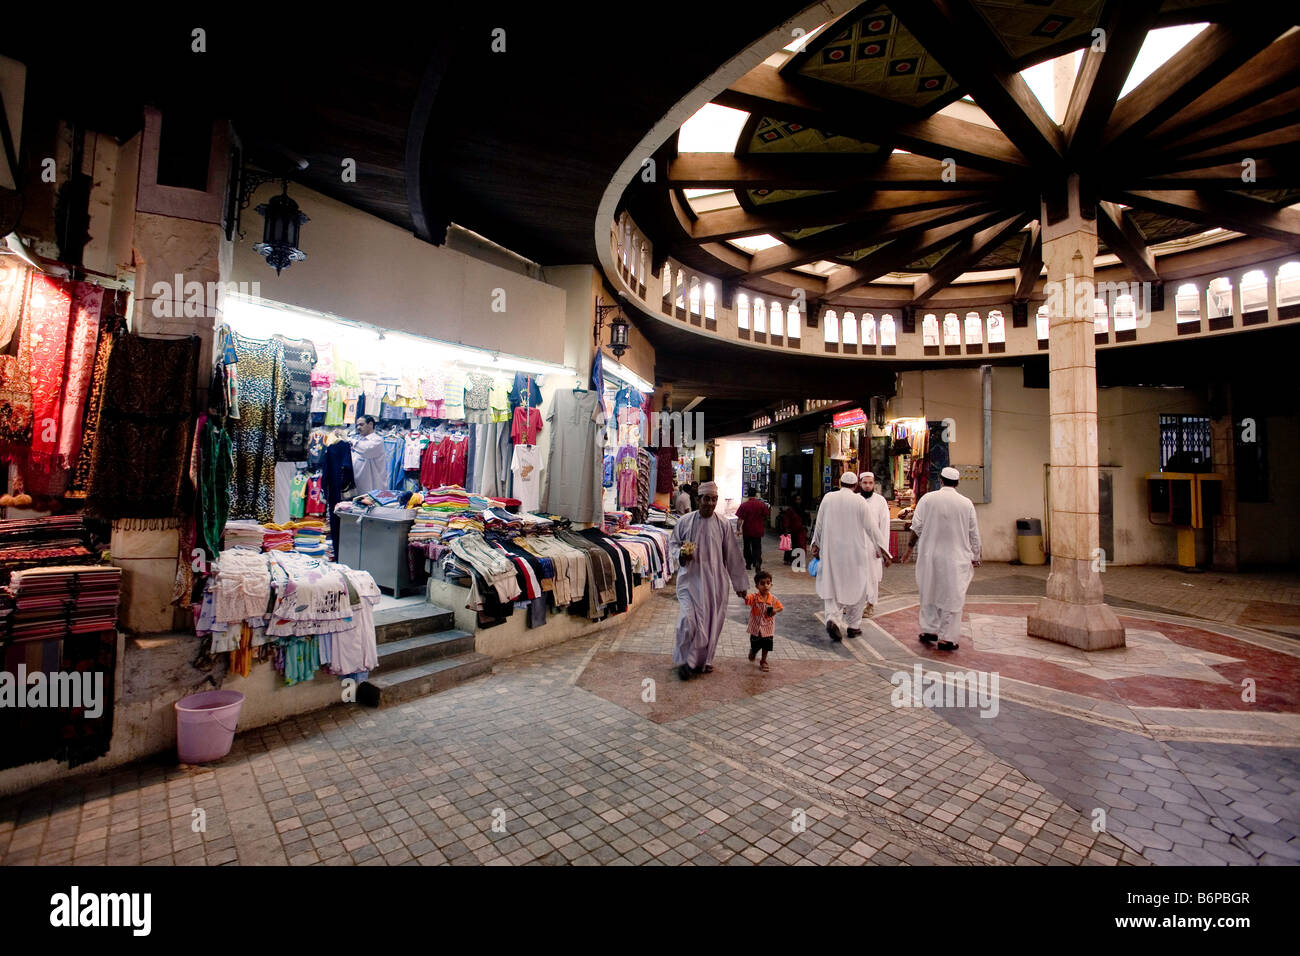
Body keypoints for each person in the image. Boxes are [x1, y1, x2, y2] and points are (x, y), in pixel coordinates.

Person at [668, 480, 748, 680]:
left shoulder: (723, 524)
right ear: (697, 499)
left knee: (710, 624)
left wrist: (740, 585)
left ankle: (701, 661)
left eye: (714, 499)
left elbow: (732, 554)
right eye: (706, 499)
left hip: (715, 583)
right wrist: (680, 555)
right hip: (689, 581)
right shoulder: (684, 522)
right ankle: (685, 660)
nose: (710, 503)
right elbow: (673, 545)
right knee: (688, 620)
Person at [901, 465, 981, 651]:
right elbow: (973, 533)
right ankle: (948, 637)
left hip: (930, 556)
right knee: (953, 596)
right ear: (957, 483)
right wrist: (976, 555)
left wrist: (908, 551)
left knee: (929, 592)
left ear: (941, 480)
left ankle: (930, 630)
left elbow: (916, 528)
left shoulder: (927, 499)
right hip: (956, 558)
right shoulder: (966, 503)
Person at [810, 471, 893, 642]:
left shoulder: (828, 498)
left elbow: (819, 524)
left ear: (840, 482)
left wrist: (815, 544)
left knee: (832, 586)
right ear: (856, 485)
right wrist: (884, 551)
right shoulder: (859, 501)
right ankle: (854, 626)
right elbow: (872, 529)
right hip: (855, 553)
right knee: (859, 587)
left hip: (832, 552)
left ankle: (832, 618)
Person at [858, 471, 891, 618]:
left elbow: (884, 525)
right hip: (857, 544)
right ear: (860, 484)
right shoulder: (855, 500)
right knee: (855, 574)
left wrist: (883, 548)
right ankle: (853, 603)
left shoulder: (880, 501)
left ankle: (870, 605)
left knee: (872, 575)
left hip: (873, 546)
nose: (867, 486)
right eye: (865, 483)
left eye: (870, 483)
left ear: (874, 484)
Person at [745, 569, 783, 672]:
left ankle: (763, 661)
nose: (765, 586)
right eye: (762, 583)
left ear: (771, 584)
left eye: (768, 583)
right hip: (756, 627)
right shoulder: (754, 597)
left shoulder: (773, 599)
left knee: (766, 644)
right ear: (757, 586)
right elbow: (747, 599)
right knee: (755, 644)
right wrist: (744, 594)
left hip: (768, 627)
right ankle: (753, 651)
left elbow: (780, 607)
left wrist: (774, 611)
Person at [350, 415, 388, 495]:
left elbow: (366, 450)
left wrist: (350, 441)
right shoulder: (358, 440)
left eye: (361, 424)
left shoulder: (377, 440)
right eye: (357, 425)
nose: (358, 427)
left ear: (370, 424)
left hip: (373, 488)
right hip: (358, 486)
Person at [735, 487, 771, 571]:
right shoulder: (761, 504)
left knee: (747, 547)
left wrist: (738, 529)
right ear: (755, 494)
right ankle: (757, 561)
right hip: (758, 529)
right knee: (757, 547)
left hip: (747, 529)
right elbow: (766, 515)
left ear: (748, 494)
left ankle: (748, 563)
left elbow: (740, 519)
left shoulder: (744, 505)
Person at [780, 495, 807, 565]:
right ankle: (790, 560)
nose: (798, 501)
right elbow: (787, 520)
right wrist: (786, 529)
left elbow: (804, 520)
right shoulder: (791, 510)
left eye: (799, 499)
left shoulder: (802, 509)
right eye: (797, 500)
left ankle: (797, 560)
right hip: (792, 530)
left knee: (799, 545)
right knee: (791, 546)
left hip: (800, 531)